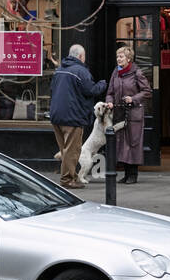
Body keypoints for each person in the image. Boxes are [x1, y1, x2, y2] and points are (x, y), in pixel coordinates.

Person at [49, 44, 106, 189]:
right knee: (72, 150)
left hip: (56, 116)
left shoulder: (60, 69)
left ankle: (72, 176)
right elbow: (91, 90)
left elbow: (52, 90)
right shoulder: (81, 71)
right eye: (84, 56)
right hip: (72, 117)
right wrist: (102, 84)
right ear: (81, 56)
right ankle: (67, 180)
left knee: (65, 150)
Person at [107, 45, 152, 184]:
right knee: (122, 144)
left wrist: (133, 99)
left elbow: (147, 91)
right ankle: (126, 174)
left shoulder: (137, 72)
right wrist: (109, 102)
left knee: (133, 143)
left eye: (121, 57)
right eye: (117, 57)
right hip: (119, 113)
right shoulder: (116, 72)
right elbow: (110, 92)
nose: (118, 59)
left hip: (134, 114)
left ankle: (133, 174)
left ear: (128, 58)